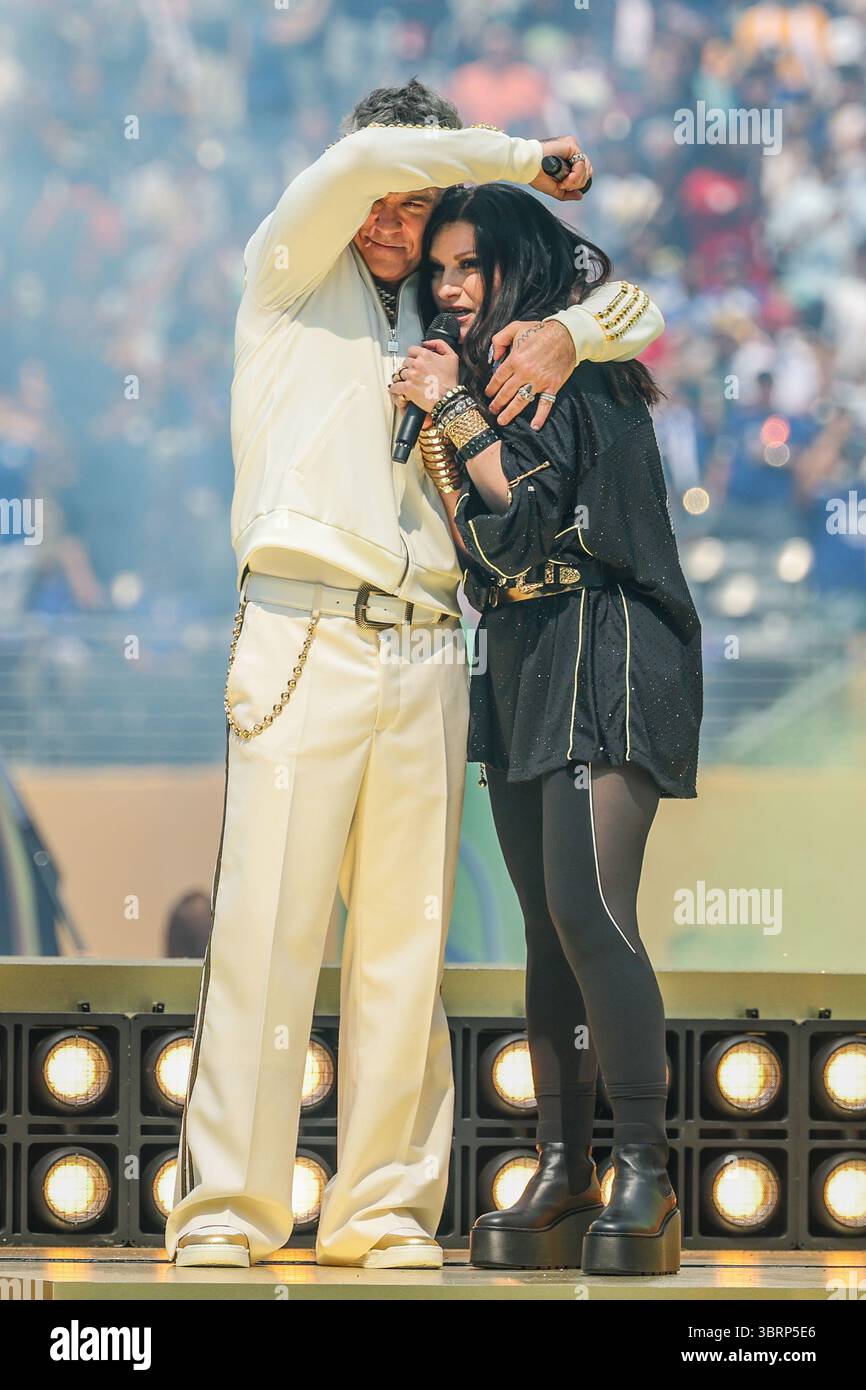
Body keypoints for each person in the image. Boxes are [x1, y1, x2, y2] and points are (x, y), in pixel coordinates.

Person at [165, 79, 666, 1272]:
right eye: (378, 197)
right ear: (343, 180)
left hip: (433, 638)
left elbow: (638, 314)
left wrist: (570, 333)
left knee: (406, 944)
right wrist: (521, 157)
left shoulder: (448, 307)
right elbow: (379, 153)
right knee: (266, 934)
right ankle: (227, 1212)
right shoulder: (287, 262)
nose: (394, 222)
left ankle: (383, 1207)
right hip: (302, 627)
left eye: (417, 206)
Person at [390, 182, 702, 1275]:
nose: (449, 285)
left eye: (469, 264)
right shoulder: (476, 383)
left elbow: (525, 527)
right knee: (543, 927)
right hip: (524, 654)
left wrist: (460, 412)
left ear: (516, 265)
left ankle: (644, 1176)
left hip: (609, 641)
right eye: (438, 269)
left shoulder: (572, 362)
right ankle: (561, 1164)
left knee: (588, 908)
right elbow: (489, 565)